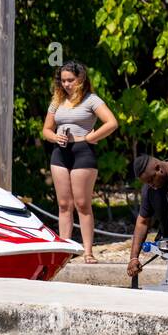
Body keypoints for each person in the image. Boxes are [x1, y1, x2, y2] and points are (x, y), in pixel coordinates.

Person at [42, 62, 118, 263]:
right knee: (64, 204)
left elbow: (112, 122)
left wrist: (93, 137)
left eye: (70, 80)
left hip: (83, 152)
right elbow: (46, 129)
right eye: (63, 80)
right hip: (60, 153)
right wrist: (54, 137)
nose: (66, 84)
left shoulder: (91, 99)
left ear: (80, 79)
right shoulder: (57, 100)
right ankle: (65, 250)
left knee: (82, 204)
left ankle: (88, 251)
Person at [126, 152, 168, 284]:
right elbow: (142, 222)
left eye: (151, 180)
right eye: (147, 183)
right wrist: (133, 258)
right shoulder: (149, 190)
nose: (151, 185)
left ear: (158, 168)